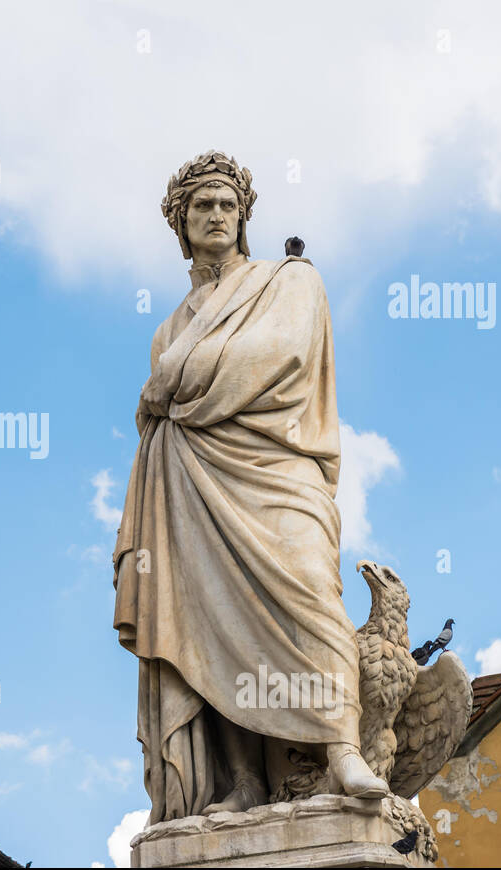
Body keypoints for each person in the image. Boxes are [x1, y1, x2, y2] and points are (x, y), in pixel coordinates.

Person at [113, 150, 387, 823]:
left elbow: (282, 355)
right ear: (181, 225)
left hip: (277, 468)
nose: (215, 216)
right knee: (207, 620)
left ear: (243, 218)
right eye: (201, 207)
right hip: (192, 484)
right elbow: (174, 395)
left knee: (311, 588)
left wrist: (173, 383)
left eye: (226, 206)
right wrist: (173, 380)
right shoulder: (167, 329)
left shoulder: (286, 281)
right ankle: (241, 780)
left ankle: (342, 746)